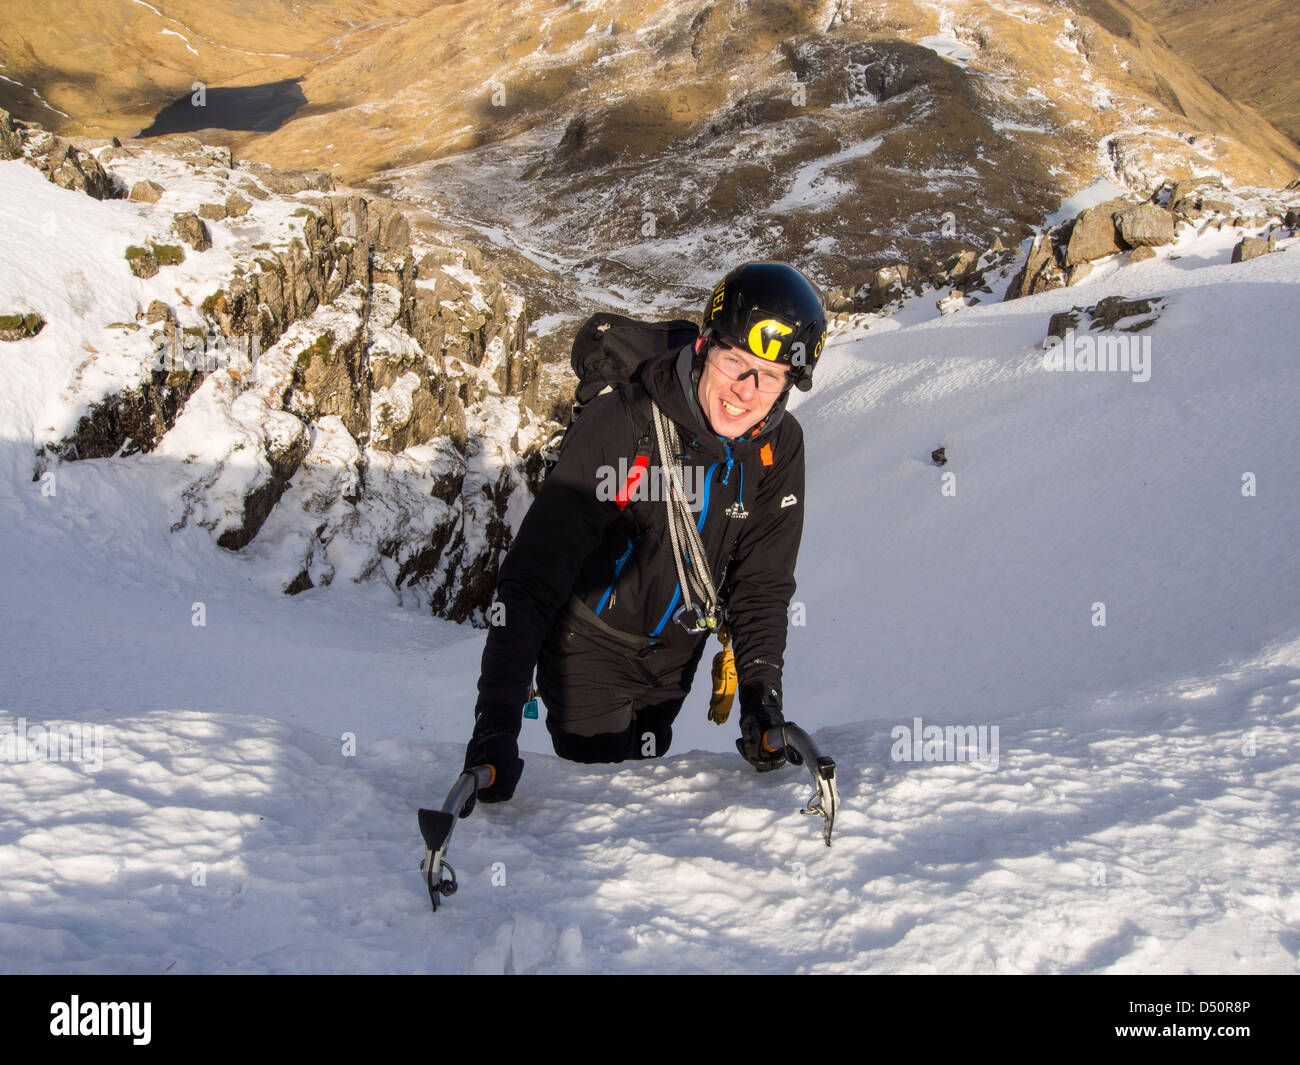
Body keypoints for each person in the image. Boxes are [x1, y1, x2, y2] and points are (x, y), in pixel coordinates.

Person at [461, 261, 827, 805]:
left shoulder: (779, 447)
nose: (746, 391)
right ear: (705, 348)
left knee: (648, 782)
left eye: (769, 376)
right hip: (588, 651)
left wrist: (761, 698)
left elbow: (762, 583)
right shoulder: (623, 424)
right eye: (735, 362)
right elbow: (532, 580)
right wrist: (496, 724)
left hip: (677, 658)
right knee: (607, 806)